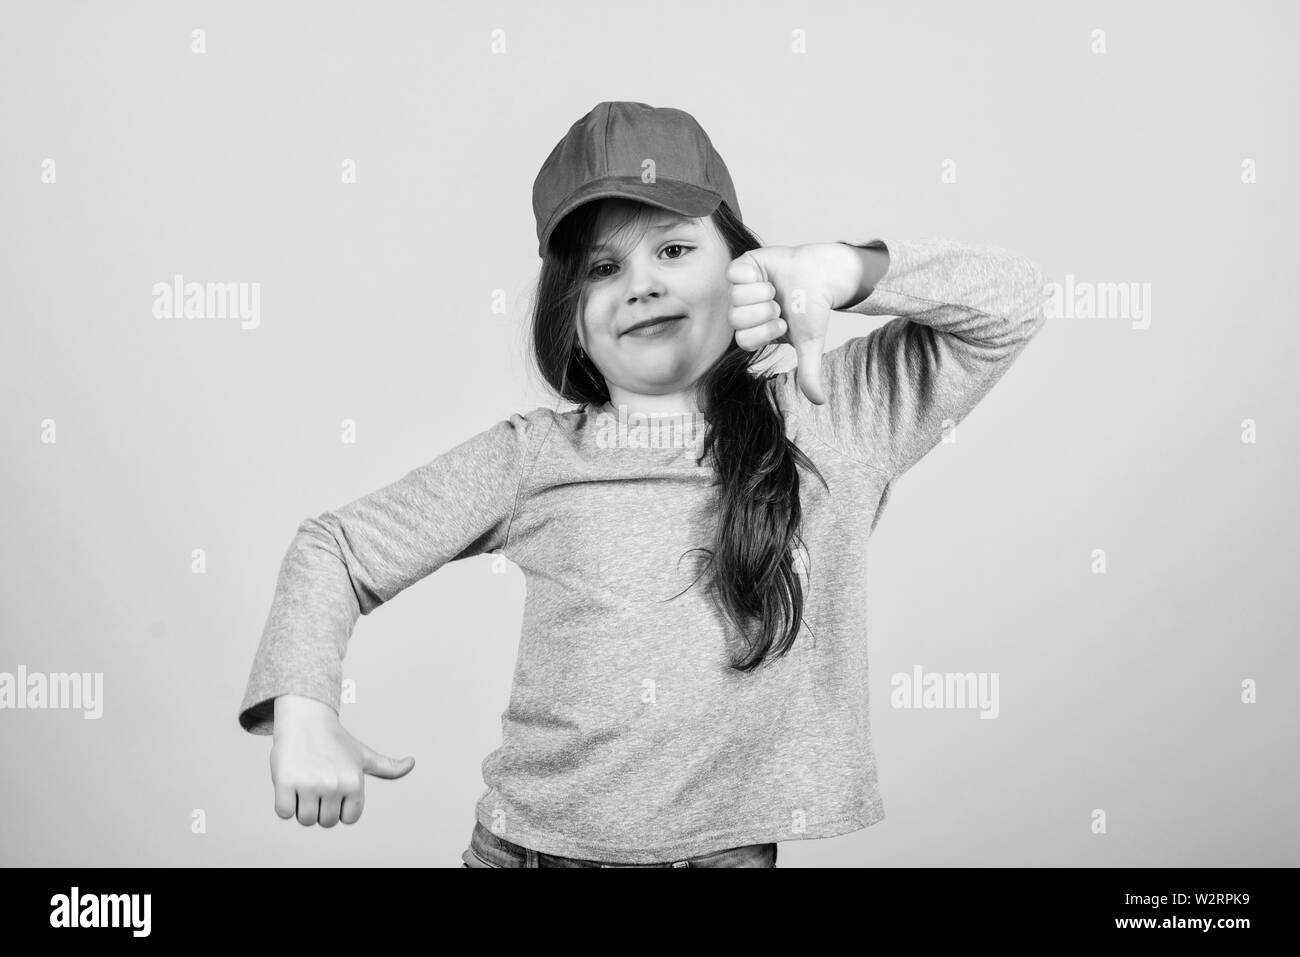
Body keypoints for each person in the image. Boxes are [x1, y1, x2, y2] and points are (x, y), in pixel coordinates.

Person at [237, 101, 1049, 868]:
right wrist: (302, 703)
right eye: (602, 266)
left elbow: (1011, 303)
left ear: (742, 265)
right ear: (572, 320)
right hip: (531, 853)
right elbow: (335, 547)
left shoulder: (832, 414)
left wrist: (844, 267)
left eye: (672, 249)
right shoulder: (535, 456)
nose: (642, 283)